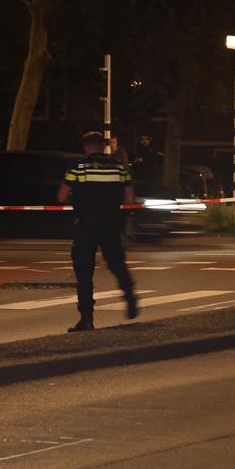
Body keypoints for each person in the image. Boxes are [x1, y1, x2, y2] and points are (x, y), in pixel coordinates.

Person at [57, 131, 139, 332]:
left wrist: (77, 200)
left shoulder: (78, 168)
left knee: (84, 273)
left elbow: (61, 197)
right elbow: (129, 199)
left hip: (86, 225)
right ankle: (130, 298)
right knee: (117, 264)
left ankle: (86, 319)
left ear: (86, 147)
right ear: (103, 147)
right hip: (111, 224)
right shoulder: (120, 167)